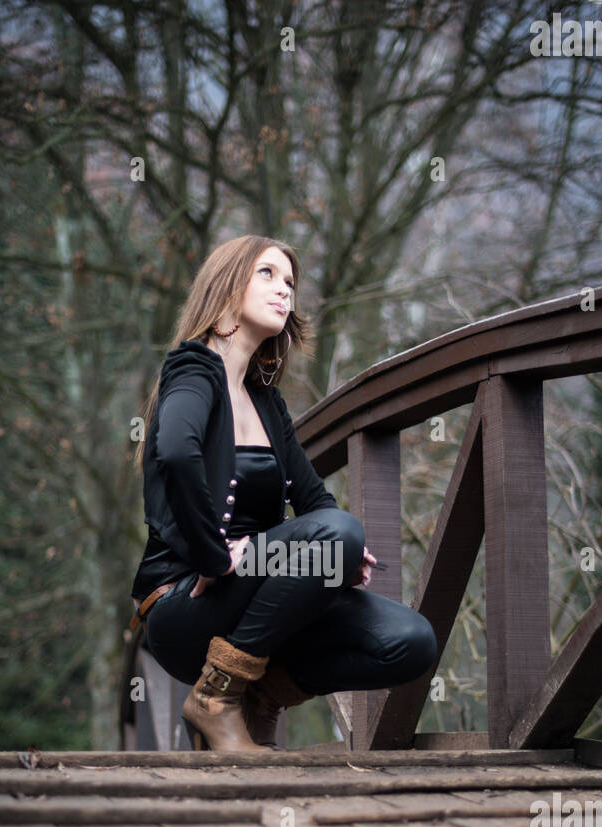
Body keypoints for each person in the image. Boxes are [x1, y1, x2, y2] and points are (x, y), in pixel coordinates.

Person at [130, 235, 437, 752]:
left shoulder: (266, 403)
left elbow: (316, 503)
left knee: (412, 641)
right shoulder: (192, 370)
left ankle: (259, 696)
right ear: (226, 287)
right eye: (267, 275)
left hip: (257, 599)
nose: (285, 292)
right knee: (336, 535)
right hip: (187, 605)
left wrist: (342, 557)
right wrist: (212, 557)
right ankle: (215, 697)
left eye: (291, 282)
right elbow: (177, 454)